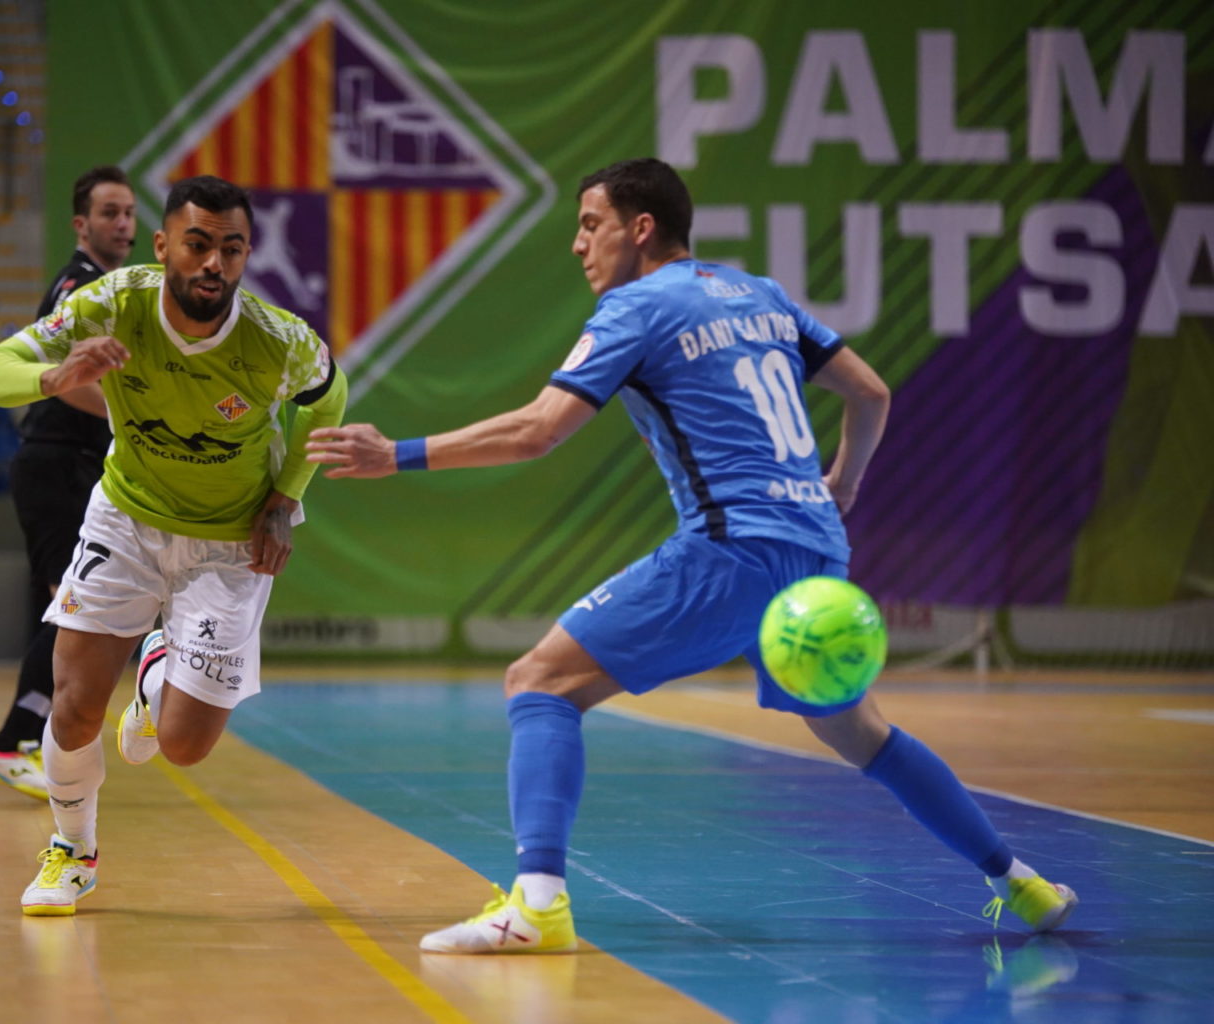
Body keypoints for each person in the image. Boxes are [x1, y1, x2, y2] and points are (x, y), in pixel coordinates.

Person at [306, 158, 1078, 953]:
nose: (578, 245)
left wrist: (395, 453)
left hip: (731, 551)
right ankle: (1021, 884)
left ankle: (536, 907)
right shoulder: (760, 293)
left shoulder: (635, 308)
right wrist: (841, 483)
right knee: (862, 735)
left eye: (590, 224)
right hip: (816, 554)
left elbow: (539, 430)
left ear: (641, 229)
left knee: (539, 682)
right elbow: (871, 392)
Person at [0, 174, 347, 916]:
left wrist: (287, 497)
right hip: (127, 518)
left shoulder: (277, 341)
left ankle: (158, 665)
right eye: (198, 244)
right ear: (164, 244)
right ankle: (73, 851)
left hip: (230, 542)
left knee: (181, 747)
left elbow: (328, 400)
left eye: (231, 249)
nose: (214, 263)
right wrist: (54, 375)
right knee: (73, 704)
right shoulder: (112, 301)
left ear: (244, 256)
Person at [0, 165, 137, 801]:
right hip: (57, 461)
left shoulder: (112, 287)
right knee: (76, 611)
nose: (122, 224)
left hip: (77, 465)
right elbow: (73, 383)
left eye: (128, 213)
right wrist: (141, 420)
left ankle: (20, 738)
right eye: (109, 213)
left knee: (79, 612)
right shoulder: (81, 287)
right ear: (81, 224)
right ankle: (11, 743)